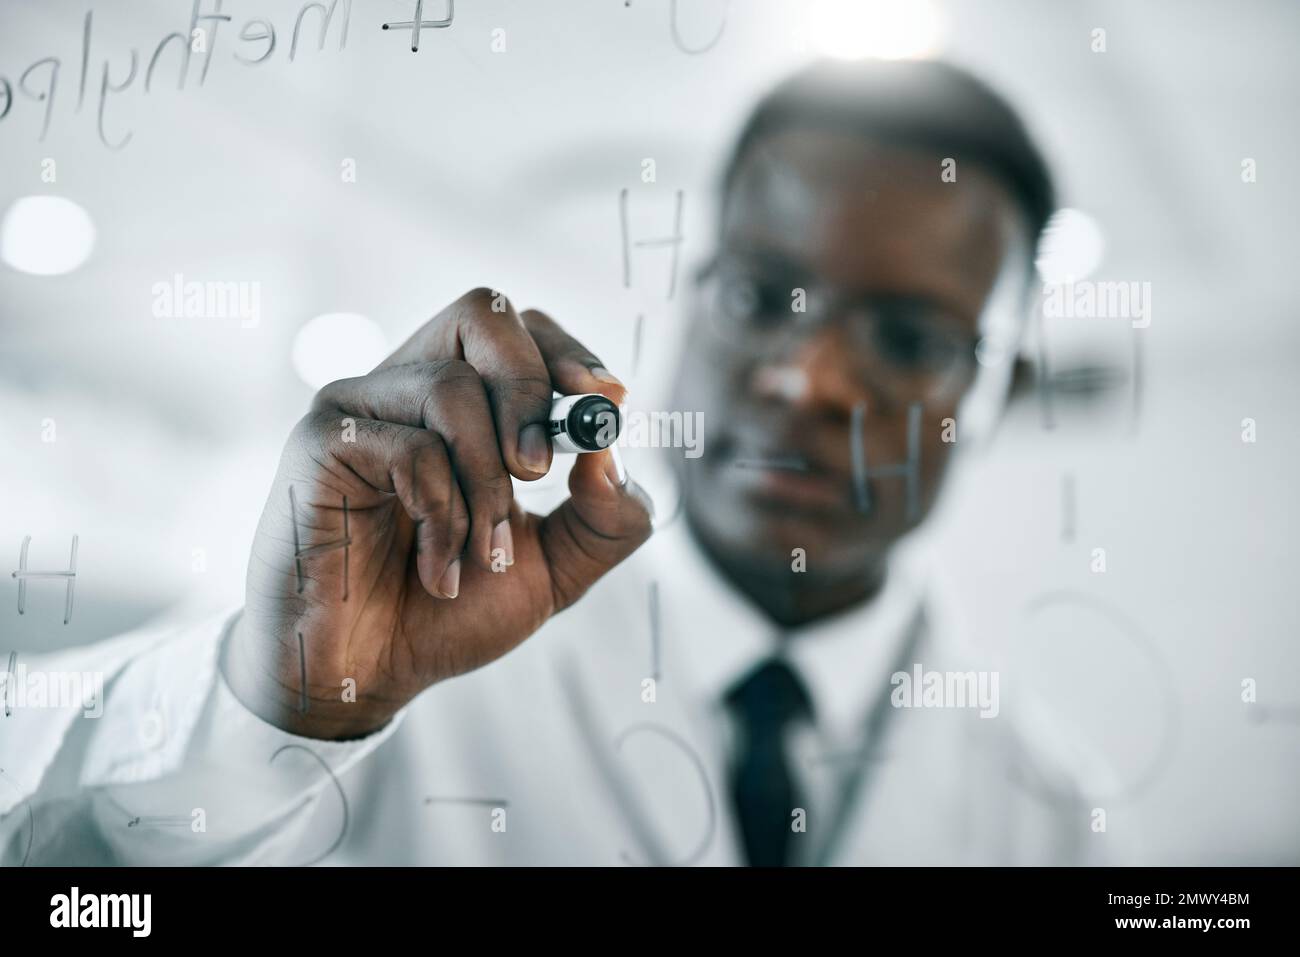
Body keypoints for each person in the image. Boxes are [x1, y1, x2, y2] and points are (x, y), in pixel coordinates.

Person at [0, 58, 1108, 866]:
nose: (804, 381)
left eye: (910, 340)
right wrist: (278, 709)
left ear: (998, 394)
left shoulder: (1053, 825)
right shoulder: (397, 657)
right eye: (758, 297)